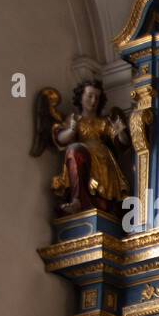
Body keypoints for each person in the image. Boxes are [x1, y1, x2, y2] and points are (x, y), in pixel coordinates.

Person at [52, 80, 129, 215]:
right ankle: (77, 200)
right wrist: (72, 129)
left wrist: (120, 131)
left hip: (102, 160)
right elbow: (60, 138)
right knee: (74, 150)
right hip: (83, 156)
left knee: (101, 192)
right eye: (89, 96)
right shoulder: (74, 119)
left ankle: (101, 203)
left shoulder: (104, 122)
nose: (93, 101)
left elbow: (123, 143)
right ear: (80, 97)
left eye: (97, 98)